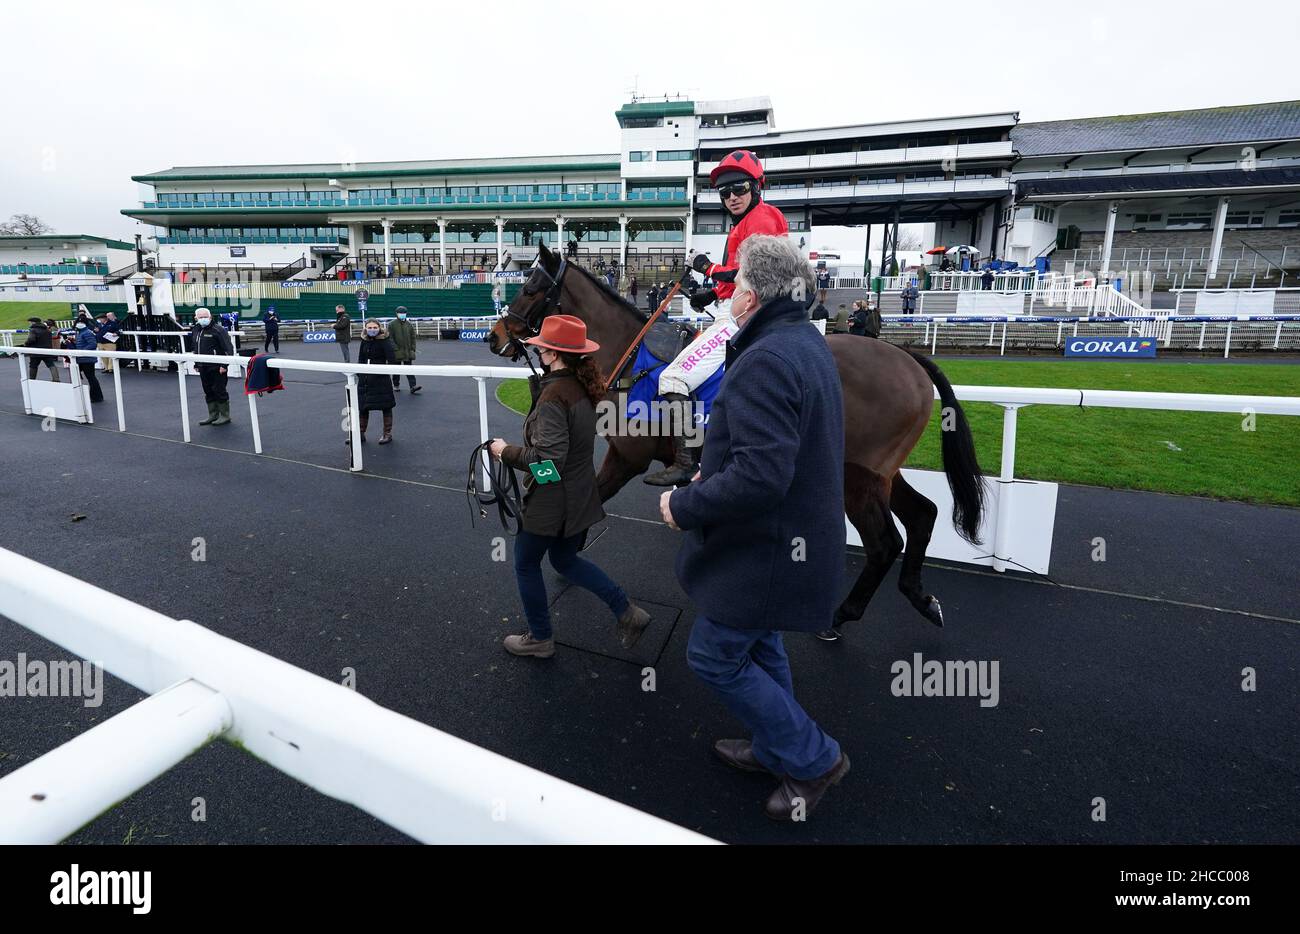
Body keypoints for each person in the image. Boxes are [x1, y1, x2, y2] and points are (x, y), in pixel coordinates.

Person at [659, 235, 849, 821]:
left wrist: (684, 505)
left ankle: (814, 759)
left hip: (766, 548)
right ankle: (776, 747)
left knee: (715, 656)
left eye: (738, 285)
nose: (732, 295)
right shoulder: (801, 342)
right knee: (760, 643)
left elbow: (760, 476)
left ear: (755, 295)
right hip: (790, 541)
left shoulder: (766, 357)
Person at [487, 315, 651, 658]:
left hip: (553, 501)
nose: (540, 352)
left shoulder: (555, 396)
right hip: (579, 494)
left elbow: (548, 461)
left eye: (543, 348)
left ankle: (540, 638)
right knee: (564, 560)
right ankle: (628, 611)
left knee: (526, 563)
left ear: (551, 353)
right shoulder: (579, 385)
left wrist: (505, 453)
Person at [644, 149, 788, 486]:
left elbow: (759, 271)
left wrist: (707, 267)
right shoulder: (751, 221)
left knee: (672, 380)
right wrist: (713, 291)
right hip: (739, 307)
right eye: (725, 193)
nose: (732, 197)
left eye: (739, 189)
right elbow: (744, 276)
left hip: (743, 317)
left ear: (757, 187)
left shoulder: (761, 218)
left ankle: (684, 461)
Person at [350, 318, 396, 445]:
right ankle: (360, 433)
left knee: (386, 405)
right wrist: (360, 373)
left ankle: (387, 434)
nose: (372, 330)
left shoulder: (385, 341)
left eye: (374, 327)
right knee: (363, 406)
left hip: (381, 379)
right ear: (365, 328)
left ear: (379, 328)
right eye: (369, 328)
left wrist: (385, 372)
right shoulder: (364, 341)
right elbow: (361, 358)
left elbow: (392, 359)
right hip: (365, 379)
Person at [191, 307, 233, 425]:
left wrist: (224, 365)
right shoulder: (196, 329)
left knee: (219, 390)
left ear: (210, 317)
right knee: (208, 390)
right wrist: (196, 363)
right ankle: (213, 415)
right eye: (201, 317)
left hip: (217, 367)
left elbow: (228, 348)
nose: (203, 319)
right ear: (196, 318)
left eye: (205, 317)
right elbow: (195, 347)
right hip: (202, 366)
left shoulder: (218, 330)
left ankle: (225, 416)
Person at [387, 306, 422, 394]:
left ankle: (413, 386)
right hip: (397, 351)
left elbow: (413, 337)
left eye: (404, 313)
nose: (402, 315)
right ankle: (396, 385)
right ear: (396, 314)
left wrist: (413, 348)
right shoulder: (392, 324)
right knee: (396, 370)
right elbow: (390, 338)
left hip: (407, 351)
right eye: (400, 313)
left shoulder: (409, 324)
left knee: (409, 369)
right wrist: (395, 348)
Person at [23, 317, 59, 382]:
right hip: (47, 350)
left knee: (33, 366)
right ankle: (56, 379)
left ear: (33, 322)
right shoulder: (47, 329)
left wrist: (26, 344)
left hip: (36, 351)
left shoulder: (33, 329)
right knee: (51, 365)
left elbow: (31, 339)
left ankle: (32, 380)